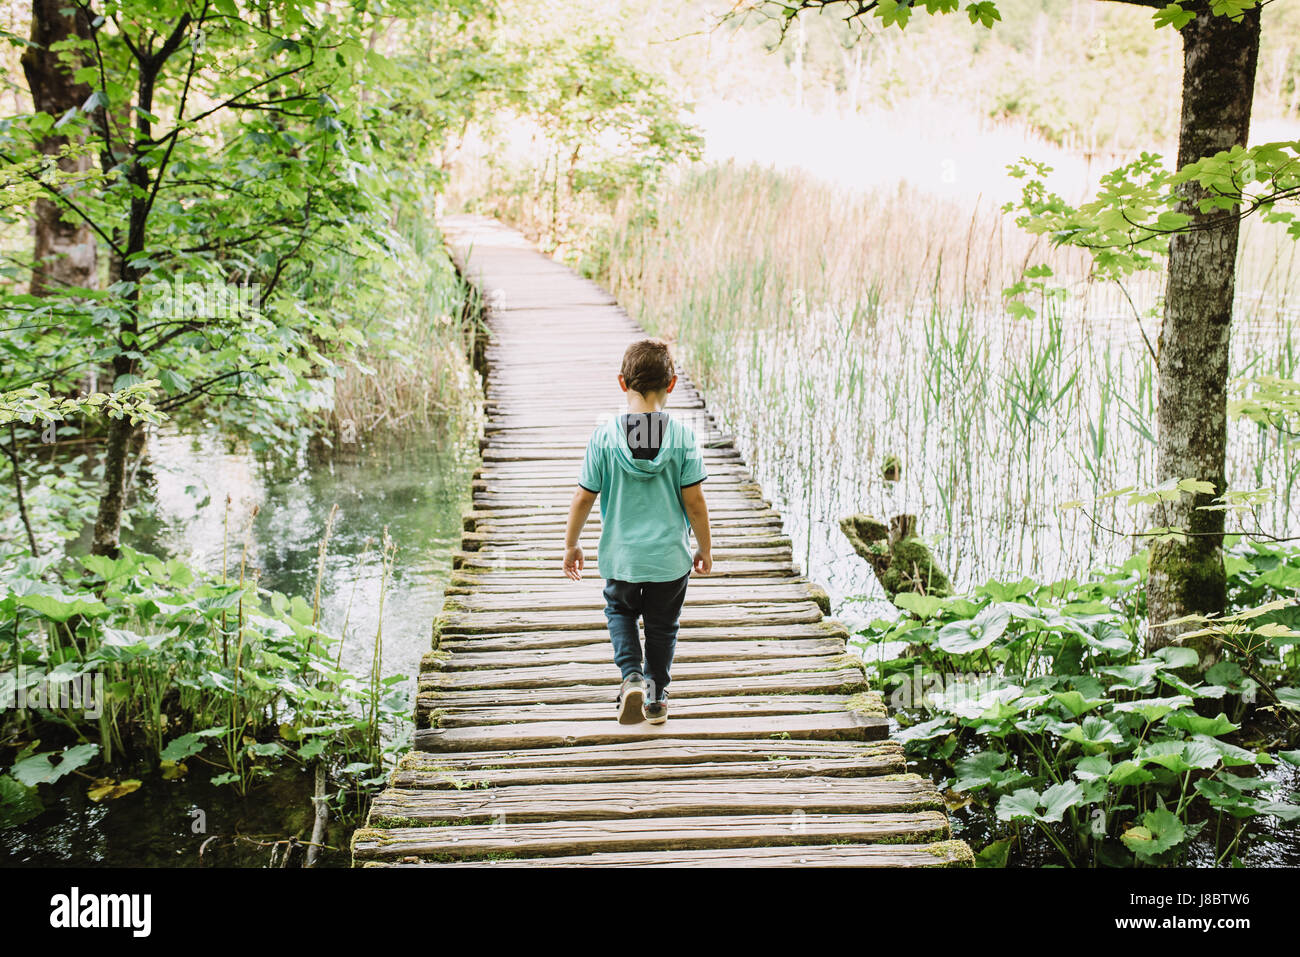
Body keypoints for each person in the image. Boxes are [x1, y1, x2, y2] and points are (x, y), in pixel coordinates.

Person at [562, 337, 712, 724]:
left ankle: (630, 675)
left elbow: (583, 498)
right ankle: (656, 697)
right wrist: (704, 548)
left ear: (622, 382)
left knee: (620, 612)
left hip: (621, 557)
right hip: (668, 561)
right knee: (663, 627)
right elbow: (694, 502)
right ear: (672, 385)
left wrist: (571, 545)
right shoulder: (682, 438)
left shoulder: (605, 437)